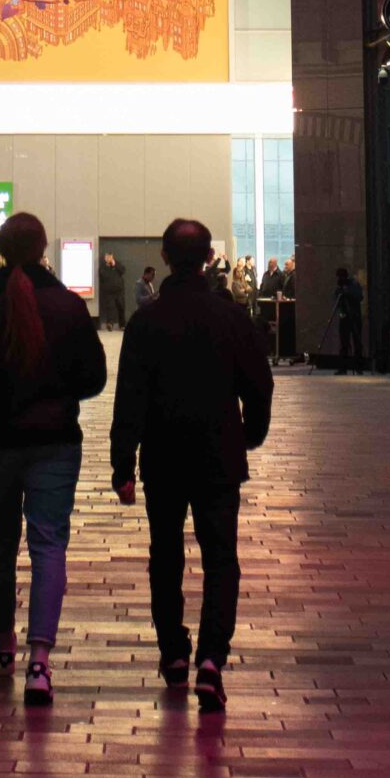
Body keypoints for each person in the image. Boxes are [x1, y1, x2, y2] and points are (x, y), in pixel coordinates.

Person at [0, 210, 106, 708]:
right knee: (48, 542)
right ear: (43, 249)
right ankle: (40, 660)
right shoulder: (67, 305)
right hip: (55, 441)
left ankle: (2, 640)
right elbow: (94, 378)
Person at [110, 216, 273, 713]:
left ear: (164, 258)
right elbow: (259, 385)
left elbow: (129, 398)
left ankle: (174, 653)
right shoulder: (232, 318)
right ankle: (211, 660)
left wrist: (123, 465)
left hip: (163, 458)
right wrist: (250, 435)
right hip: (218, 456)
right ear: (208, 258)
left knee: (166, 556)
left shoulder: (146, 322)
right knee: (221, 558)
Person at [333, 267, 363, 374]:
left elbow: (359, 297)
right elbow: (336, 300)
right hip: (344, 317)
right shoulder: (339, 288)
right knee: (344, 343)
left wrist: (347, 293)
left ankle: (358, 367)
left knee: (357, 343)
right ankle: (343, 368)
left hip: (355, 317)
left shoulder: (354, 285)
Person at [98, 252, 127, 328]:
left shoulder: (117, 264)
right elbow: (102, 275)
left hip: (119, 291)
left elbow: (123, 271)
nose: (108, 259)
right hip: (109, 292)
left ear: (112, 257)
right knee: (110, 308)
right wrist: (108, 267)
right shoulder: (103, 267)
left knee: (121, 307)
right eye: (107, 257)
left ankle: (122, 325)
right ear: (105, 258)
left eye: (109, 257)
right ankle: (110, 324)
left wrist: (115, 265)